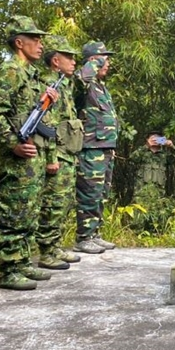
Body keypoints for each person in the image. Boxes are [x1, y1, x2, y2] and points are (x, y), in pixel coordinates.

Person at [0, 16, 59, 290]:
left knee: (28, 211)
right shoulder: (9, 72)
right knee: (13, 213)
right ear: (19, 42)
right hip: (16, 157)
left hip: (32, 157)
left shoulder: (30, 75)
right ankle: (9, 269)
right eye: (35, 40)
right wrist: (11, 143)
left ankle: (23, 261)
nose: (40, 45)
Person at [35, 36, 84, 269]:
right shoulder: (49, 84)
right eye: (69, 57)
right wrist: (51, 157)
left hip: (68, 153)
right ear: (56, 60)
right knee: (52, 203)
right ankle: (46, 251)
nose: (74, 62)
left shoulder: (64, 84)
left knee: (63, 203)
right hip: (57, 154)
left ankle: (55, 247)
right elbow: (49, 124)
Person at [73, 41, 119, 254]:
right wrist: (93, 63)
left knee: (101, 193)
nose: (107, 63)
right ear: (92, 60)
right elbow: (81, 78)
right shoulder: (85, 84)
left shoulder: (101, 87)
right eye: (104, 59)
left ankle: (94, 233)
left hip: (105, 147)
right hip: (91, 148)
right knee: (89, 192)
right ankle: (84, 237)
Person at [128, 132, 175, 233]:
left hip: (158, 193)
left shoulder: (164, 155)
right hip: (141, 192)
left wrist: (172, 146)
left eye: (159, 139)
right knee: (138, 218)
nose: (156, 140)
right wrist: (146, 146)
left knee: (156, 218)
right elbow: (132, 158)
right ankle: (135, 236)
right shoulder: (142, 153)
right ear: (147, 140)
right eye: (153, 138)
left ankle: (155, 235)